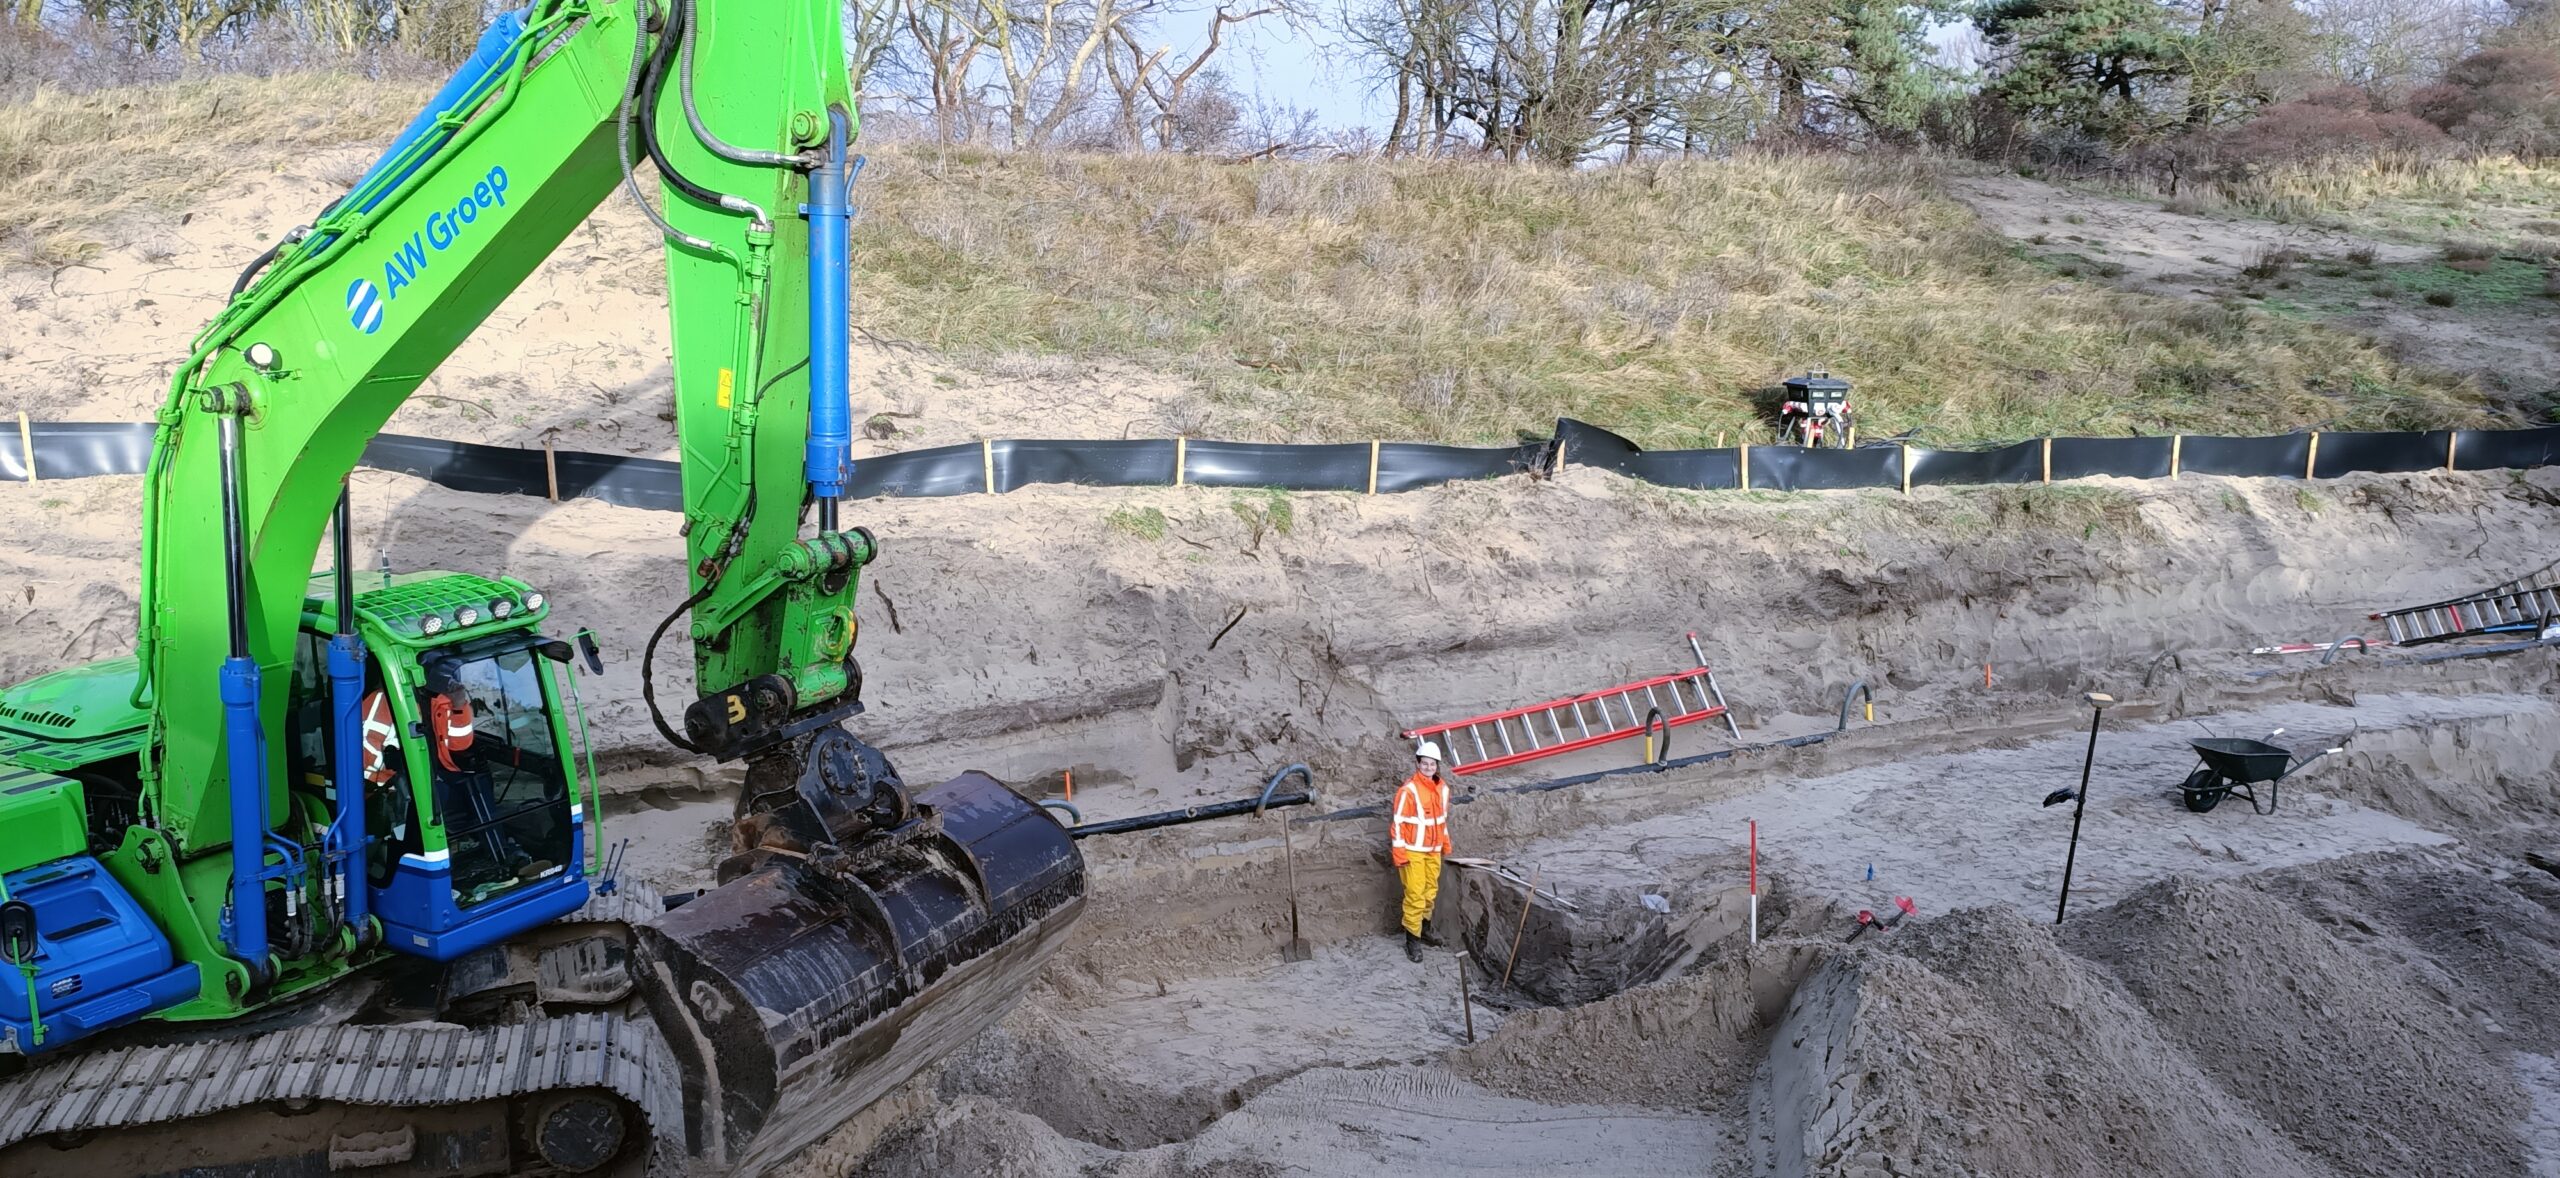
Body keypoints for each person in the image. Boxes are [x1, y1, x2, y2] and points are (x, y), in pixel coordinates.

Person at [1390, 741, 1453, 963]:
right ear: (1418, 764)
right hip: (1413, 851)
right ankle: (1412, 940)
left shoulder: (1443, 789)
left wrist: (1445, 844)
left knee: (1429, 892)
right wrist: (1400, 854)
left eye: (1431, 764)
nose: (1428, 767)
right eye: (1424, 763)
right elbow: (1398, 824)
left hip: (1432, 850)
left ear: (1437, 766)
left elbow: (1440, 821)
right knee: (1415, 895)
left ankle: (1424, 929)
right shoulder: (1408, 791)